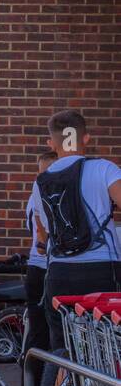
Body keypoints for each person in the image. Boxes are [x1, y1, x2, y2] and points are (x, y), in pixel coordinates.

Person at [31, 109, 121, 366]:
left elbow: (45, 231)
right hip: (103, 270)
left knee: (63, 351)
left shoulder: (41, 182)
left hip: (59, 272)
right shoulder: (104, 168)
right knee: (106, 348)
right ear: (87, 138)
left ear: (51, 142)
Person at [20, 149, 57, 386]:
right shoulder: (47, 192)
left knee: (37, 339)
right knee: (48, 341)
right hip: (46, 269)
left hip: (37, 269)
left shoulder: (35, 195)